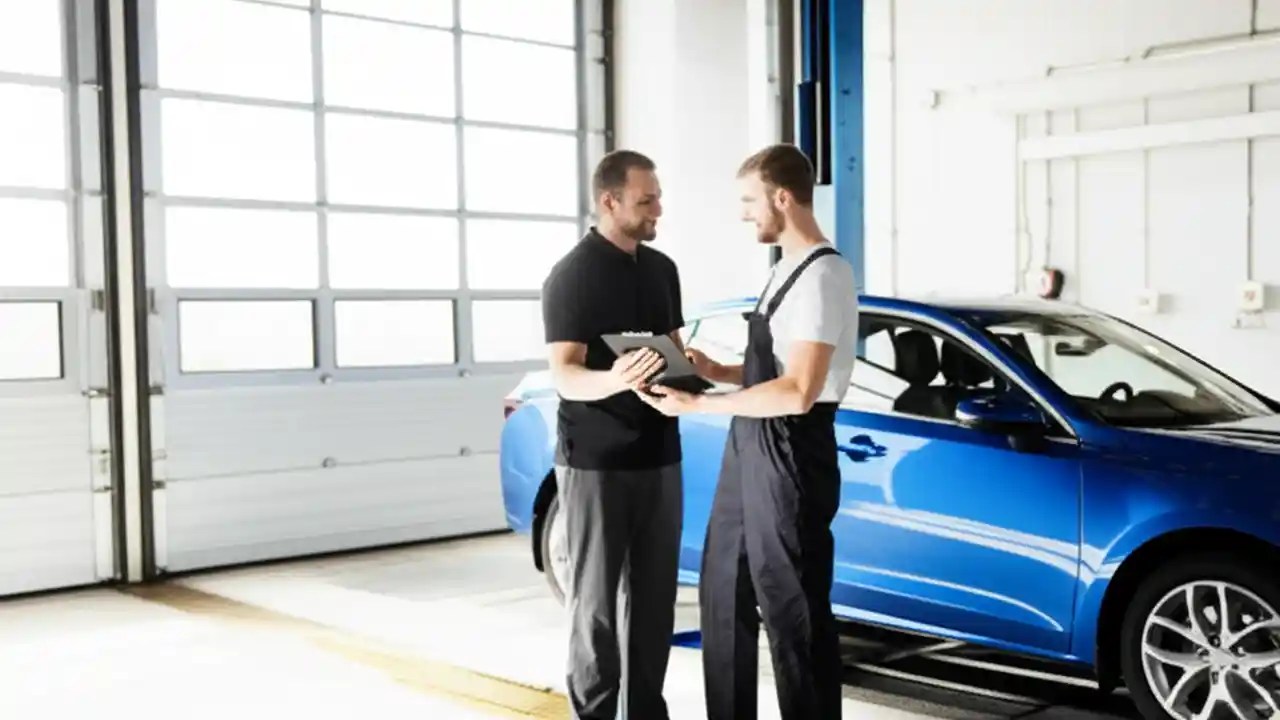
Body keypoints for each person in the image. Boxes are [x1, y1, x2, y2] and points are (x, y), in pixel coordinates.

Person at [636, 143, 857, 720]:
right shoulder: (783, 268)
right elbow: (776, 368)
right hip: (751, 442)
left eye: (748, 200)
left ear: (782, 197)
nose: (742, 213)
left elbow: (800, 389)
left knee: (792, 610)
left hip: (790, 447)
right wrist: (715, 372)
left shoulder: (823, 275)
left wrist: (697, 404)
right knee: (723, 589)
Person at [540, 149, 685, 720]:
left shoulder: (661, 269)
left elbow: (673, 346)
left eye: (657, 197)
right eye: (647, 199)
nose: (658, 209)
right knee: (596, 607)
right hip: (596, 460)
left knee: (655, 604)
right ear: (610, 201)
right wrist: (615, 377)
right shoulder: (573, 276)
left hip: (660, 453)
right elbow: (565, 374)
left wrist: (689, 365)